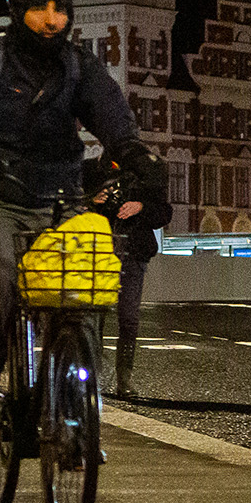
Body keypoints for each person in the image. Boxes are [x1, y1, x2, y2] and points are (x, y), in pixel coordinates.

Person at [0, 0, 160, 418]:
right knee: (2, 272)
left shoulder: (79, 66)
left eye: (60, 9)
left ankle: (75, 390)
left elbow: (110, 114)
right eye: (39, 8)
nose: (52, 20)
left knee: (86, 278)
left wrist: (134, 151)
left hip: (62, 195)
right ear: (18, 9)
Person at [86, 155, 168, 398]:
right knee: (95, 316)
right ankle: (92, 377)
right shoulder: (93, 169)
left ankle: (124, 380)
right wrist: (91, 201)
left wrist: (140, 207)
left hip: (133, 253)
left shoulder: (147, 173)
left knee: (129, 318)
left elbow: (164, 213)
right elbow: (68, 204)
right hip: (98, 252)